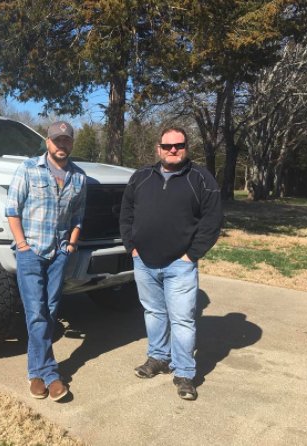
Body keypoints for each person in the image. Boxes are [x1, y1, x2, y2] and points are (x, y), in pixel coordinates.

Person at [119, 127, 223, 401]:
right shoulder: (140, 177)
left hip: (180, 264)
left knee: (182, 320)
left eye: (178, 145)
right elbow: (126, 213)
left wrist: (191, 255)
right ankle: (158, 358)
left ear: (187, 147)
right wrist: (132, 248)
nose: (173, 150)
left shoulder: (201, 178)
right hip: (144, 262)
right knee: (153, 313)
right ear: (158, 149)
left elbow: (212, 220)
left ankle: (185, 373)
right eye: (167, 146)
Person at [5, 121, 87, 402]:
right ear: (48, 142)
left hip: (59, 254)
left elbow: (78, 216)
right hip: (31, 253)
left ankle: (34, 373)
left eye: (66, 141)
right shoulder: (28, 169)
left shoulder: (79, 177)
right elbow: (12, 209)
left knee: (49, 312)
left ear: (71, 144)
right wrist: (23, 245)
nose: (61, 145)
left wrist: (71, 245)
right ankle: (51, 374)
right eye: (56, 140)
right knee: (37, 312)